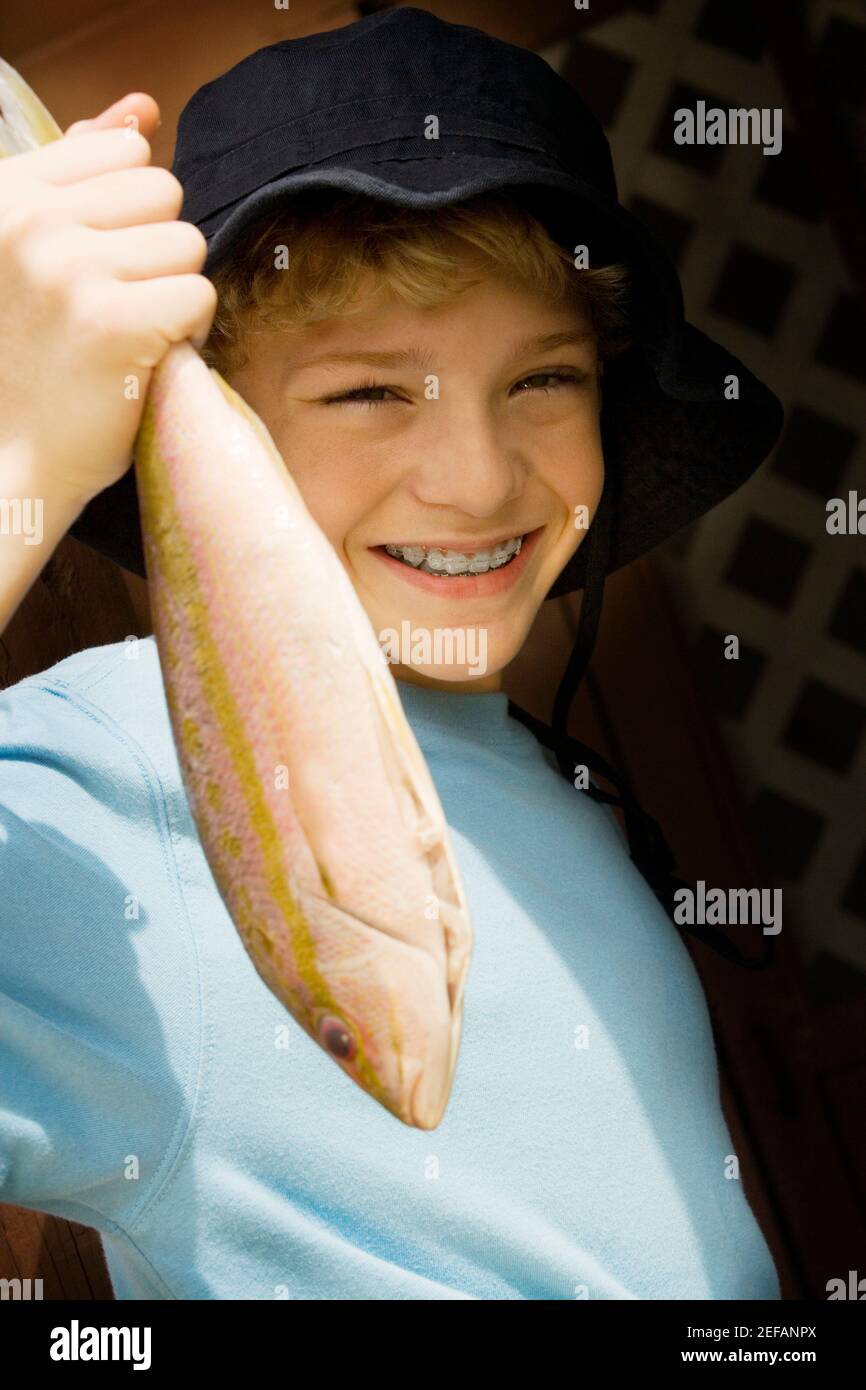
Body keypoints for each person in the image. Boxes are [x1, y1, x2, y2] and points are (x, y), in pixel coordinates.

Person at [0, 8, 784, 1299]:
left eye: (544, 380)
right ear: (234, 433)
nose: (477, 479)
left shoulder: (559, 789)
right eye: (370, 392)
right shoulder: (121, 780)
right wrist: (23, 450)